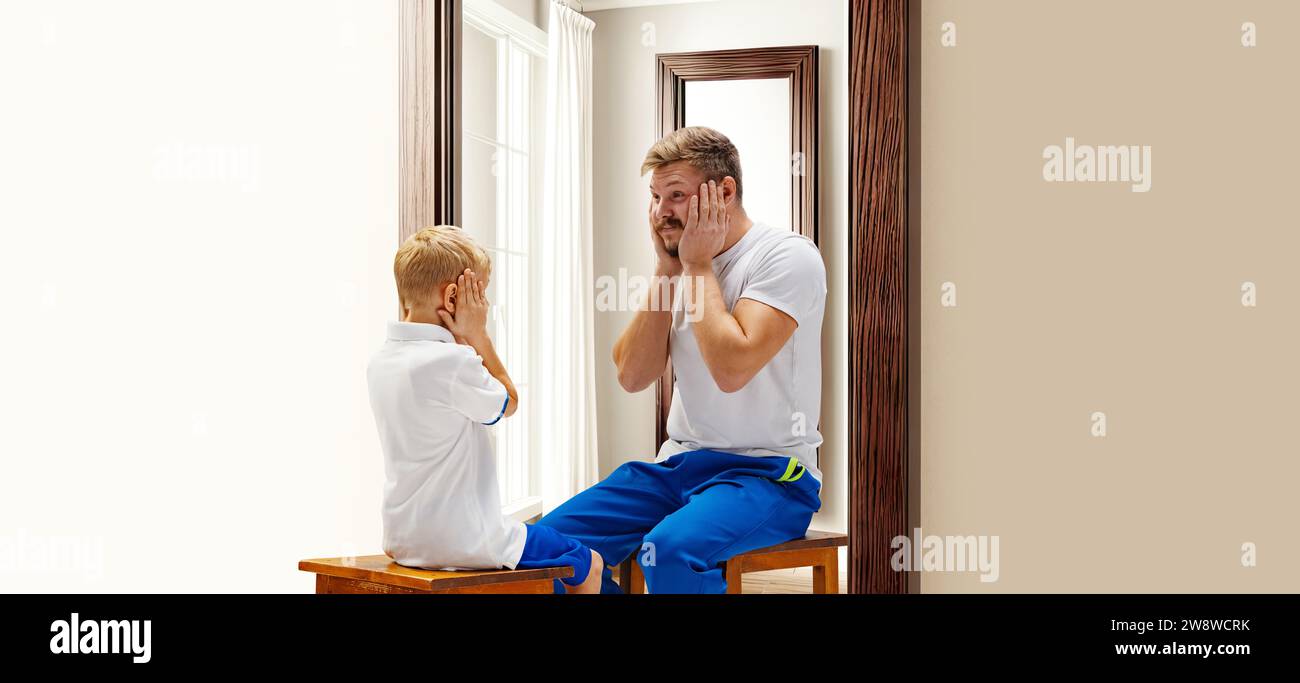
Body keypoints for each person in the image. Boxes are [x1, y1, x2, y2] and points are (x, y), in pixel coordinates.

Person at [536, 127, 827, 593]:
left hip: (770, 476)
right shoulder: (678, 265)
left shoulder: (786, 257)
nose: (660, 212)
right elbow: (632, 375)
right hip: (678, 466)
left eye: (675, 195)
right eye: (655, 196)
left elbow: (732, 369)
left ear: (725, 192)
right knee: (545, 548)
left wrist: (695, 267)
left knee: (671, 551)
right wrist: (668, 270)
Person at [366, 225, 603, 593]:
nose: (486, 305)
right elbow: (508, 402)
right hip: (468, 539)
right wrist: (478, 336)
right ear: (452, 297)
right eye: (481, 293)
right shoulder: (451, 361)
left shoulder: (381, 361)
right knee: (590, 564)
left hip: (403, 537)